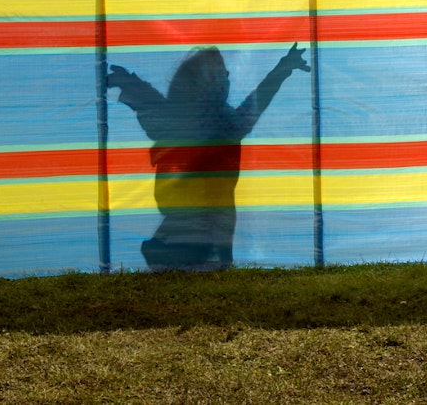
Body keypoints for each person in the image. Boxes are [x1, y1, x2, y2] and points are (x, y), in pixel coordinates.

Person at [107, 43, 310, 270]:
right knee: (209, 255)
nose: (228, 75)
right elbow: (258, 100)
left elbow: (151, 103)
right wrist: (283, 68)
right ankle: (180, 259)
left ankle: (175, 259)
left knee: (205, 254)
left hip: (194, 213)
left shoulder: (193, 118)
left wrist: (129, 82)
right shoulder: (223, 123)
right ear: (206, 83)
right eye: (221, 72)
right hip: (206, 213)